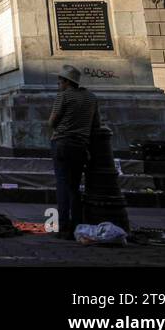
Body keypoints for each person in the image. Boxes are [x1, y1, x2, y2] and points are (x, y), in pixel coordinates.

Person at [48, 63, 101, 240]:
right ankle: (77, 224)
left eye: (59, 81)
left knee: (62, 184)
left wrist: (63, 127)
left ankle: (63, 227)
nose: (58, 84)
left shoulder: (63, 96)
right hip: (81, 145)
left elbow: (52, 121)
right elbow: (96, 124)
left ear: (65, 82)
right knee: (74, 186)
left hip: (62, 142)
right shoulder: (91, 97)